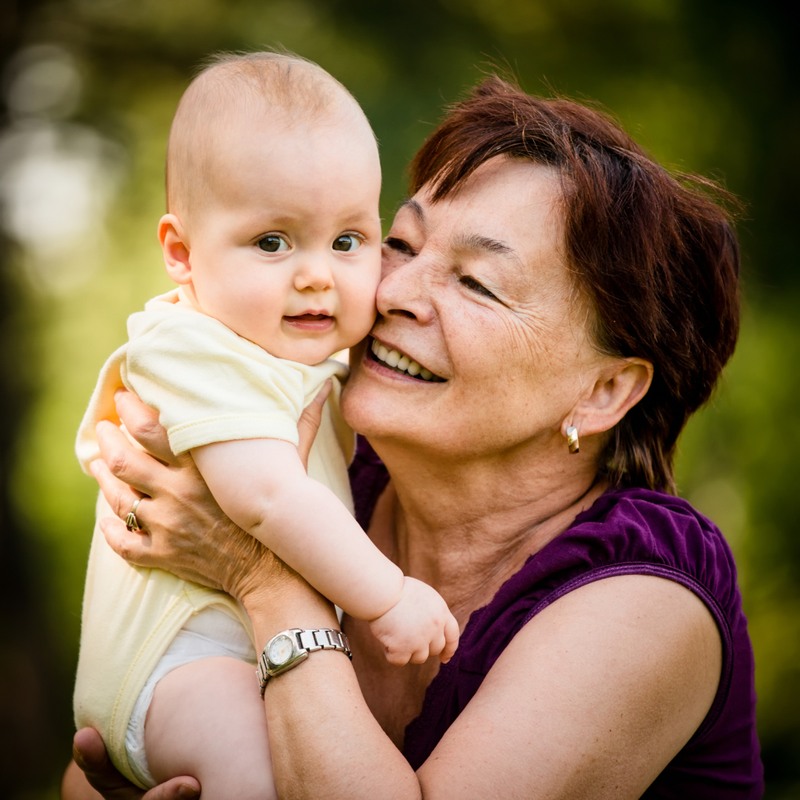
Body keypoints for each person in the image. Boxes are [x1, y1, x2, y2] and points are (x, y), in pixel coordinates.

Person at [64, 75, 763, 799]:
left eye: (475, 283)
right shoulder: (331, 467)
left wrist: (265, 580)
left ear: (604, 391)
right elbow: (95, 761)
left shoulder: (646, 598)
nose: (392, 294)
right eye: (398, 243)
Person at [72, 52, 458, 797]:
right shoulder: (196, 349)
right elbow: (266, 498)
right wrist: (388, 597)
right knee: (265, 775)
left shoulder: (290, 356)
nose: (317, 274)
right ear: (181, 254)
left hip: (226, 661)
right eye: (273, 242)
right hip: (178, 669)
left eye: (348, 241)